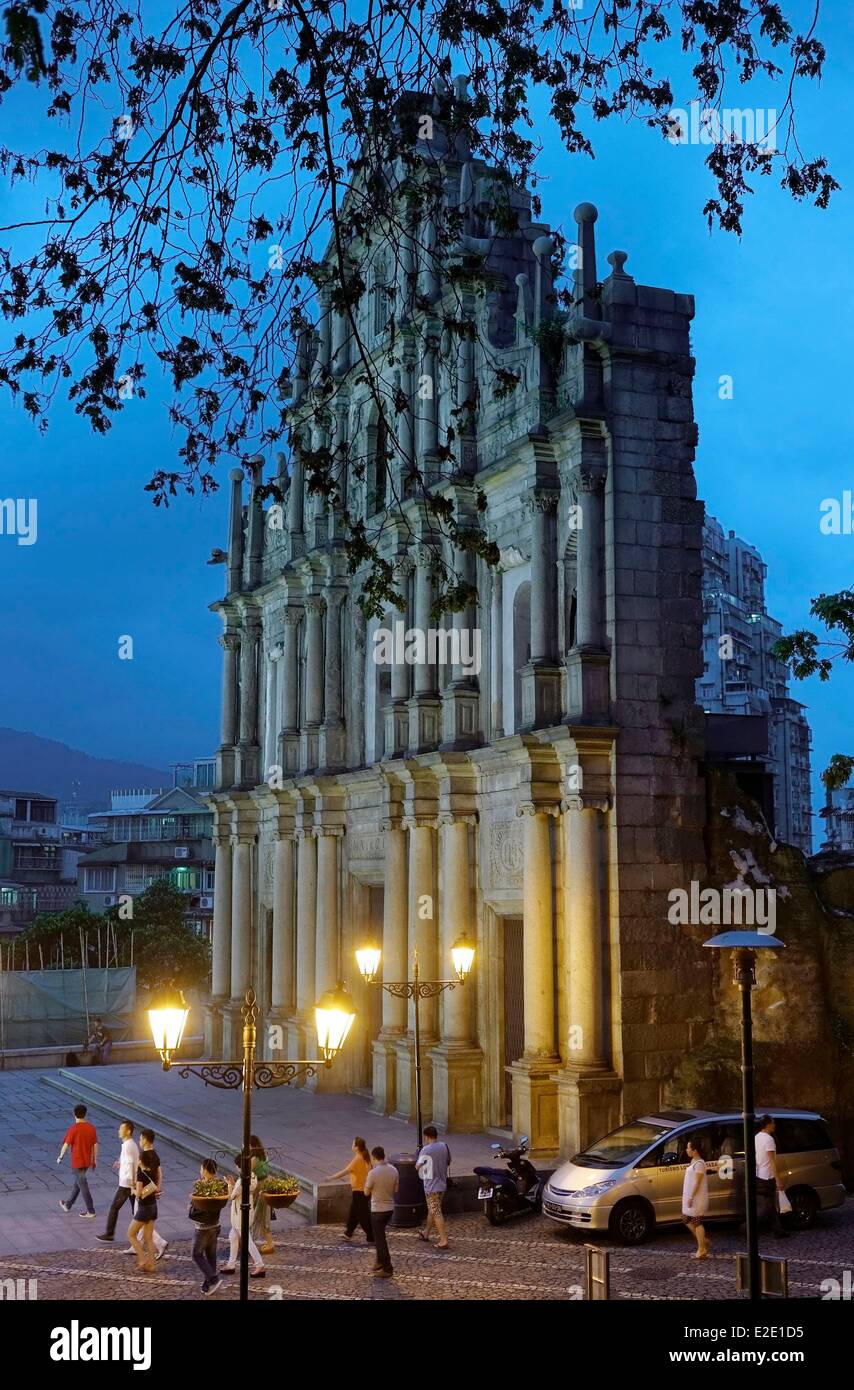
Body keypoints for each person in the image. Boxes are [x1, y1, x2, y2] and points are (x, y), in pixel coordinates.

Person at [121, 1130, 168, 1259]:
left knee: (137, 1225)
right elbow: (159, 1174)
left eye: (141, 1139)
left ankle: (149, 1248)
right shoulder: (155, 1155)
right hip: (151, 1197)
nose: (140, 1141)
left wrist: (133, 1188)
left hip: (143, 1198)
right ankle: (146, 1252)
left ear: (146, 1139)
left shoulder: (144, 1157)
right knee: (146, 1230)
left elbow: (139, 1185)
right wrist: (157, 1189)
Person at [95, 1119, 139, 1243]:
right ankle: (151, 1237)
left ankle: (109, 1234)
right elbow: (129, 1161)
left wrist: (131, 1184)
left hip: (127, 1183)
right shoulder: (128, 1144)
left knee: (115, 1207)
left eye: (121, 1129)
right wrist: (120, 1163)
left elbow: (131, 1164)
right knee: (136, 1211)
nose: (119, 1131)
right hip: (129, 1183)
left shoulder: (128, 1146)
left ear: (128, 1131)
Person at [222, 1157, 266, 1278]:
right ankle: (231, 1264)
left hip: (240, 1213)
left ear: (239, 1166)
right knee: (233, 1236)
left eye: (236, 1166)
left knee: (246, 1240)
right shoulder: (252, 1176)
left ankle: (259, 1264)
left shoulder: (242, 1181)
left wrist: (229, 1184)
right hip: (247, 1210)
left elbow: (232, 1196)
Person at [327, 1137, 373, 1245]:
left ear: (357, 1147)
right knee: (354, 1213)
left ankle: (372, 1236)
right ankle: (348, 1233)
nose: (351, 1146)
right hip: (364, 1190)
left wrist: (332, 1177)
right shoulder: (365, 1156)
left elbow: (346, 1171)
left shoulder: (358, 1158)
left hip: (359, 1191)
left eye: (353, 1144)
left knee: (363, 1215)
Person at [189, 1158, 223, 1296]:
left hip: (203, 1227)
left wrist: (192, 1202)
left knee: (196, 1254)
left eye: (201, 1168)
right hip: (215, 1224)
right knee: (211, 1255)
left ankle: (213, 1279)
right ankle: (208, 1283)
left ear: (204, 1169)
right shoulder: (220, 1185)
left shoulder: (203, 1186)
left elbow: (198, 1205)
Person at [57, 1102, 98, 1218]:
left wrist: (60, 1157)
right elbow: (95, 1145)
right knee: (78, 1184)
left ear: (74, 1114)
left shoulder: (73, 1129)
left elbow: (66, 1145)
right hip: (86, 1161)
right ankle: (68, 1204)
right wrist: (95, 1159)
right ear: (85, 1114)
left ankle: (91, 1210)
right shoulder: (91, 1128)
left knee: (83, 1185)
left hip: (77, 1162)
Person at [364, 1145, 398, 1280]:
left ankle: (387, 1267)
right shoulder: (394, 1170)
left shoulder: (373, 1173)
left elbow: (366, 1192)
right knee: (380, 1236)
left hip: (377, 1209)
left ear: (373, 1157)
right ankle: (379, 1261)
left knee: (380, 1240)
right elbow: (396, 1189)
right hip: (389, 1209)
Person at [416, 1124, 450, 1249]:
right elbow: (448, 1161)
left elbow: (417, 1166)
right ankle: (426, 1233)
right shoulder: (444, 1146)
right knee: (433, 1209)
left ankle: (443, 1239)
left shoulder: (426, 1150)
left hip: (431, 1186)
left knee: (436, 1212)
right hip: (442, 1183)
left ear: (426, 1136)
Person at [755, 1115, 789, 1237]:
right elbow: (772, 1161)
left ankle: (778, 1230)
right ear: (768, 1124)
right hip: (767, 1176)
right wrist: (778, 1180)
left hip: (759, 1175)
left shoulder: (757, 1137)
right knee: (767, 1207)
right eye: (773, 1123)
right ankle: (747, 1227)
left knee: (770, 1205)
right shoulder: (769, 1140)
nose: (775, 1125)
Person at [127, 1149, 159, 1272]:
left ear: (141, 1161)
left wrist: (132, 1188)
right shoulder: (152, 1172)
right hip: (153, 1206)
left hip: (144, 1208)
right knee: (148, 1237)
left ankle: (142, 1259)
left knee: (131, 1234)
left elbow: (139, 1194)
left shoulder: (141, 1174)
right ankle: (152, 1264)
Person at [682, 1134, 710, 1259]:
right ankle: (704, 1241)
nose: (687, 1150)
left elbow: (698, 1182)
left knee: (697, 1221)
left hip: (698, 1198)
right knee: (685, 1219)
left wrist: (692, 1197)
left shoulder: (699, 1164)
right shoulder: (693, 1162)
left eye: (689, 1148)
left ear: (695, 1150)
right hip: (691, 1196)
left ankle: (702, 1248)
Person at [249, 1135, 274, 1256]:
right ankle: (268, 1243)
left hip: (258, 1187)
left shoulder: (253, 1159)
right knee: (263, 1216)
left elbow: (246, 1173)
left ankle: (266, 1244)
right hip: (264, 1186)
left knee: (256, 1215)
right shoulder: (263, 1156)